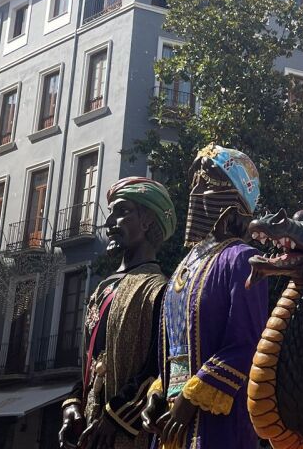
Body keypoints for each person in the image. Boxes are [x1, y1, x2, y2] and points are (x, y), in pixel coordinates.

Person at [140, 145, 268, 449]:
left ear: (235, 199)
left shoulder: (243, 259)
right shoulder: (181, 269)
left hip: (218, 424)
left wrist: (191, 397)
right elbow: (173, 351)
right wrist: (158, 393)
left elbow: (246, 344)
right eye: (194, 183)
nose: (196, 192)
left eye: (207, 184)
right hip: (172, 421)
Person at [58, 177, 176, 449]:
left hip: (128, 435)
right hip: (89, 429)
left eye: (122, 212)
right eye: (111, 212)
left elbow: (158, 368)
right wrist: (73, 403)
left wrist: (114, 417)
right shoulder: (102, 288)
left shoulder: (159, 290)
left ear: (147, 221)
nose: (110, 222)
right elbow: (88, 362)